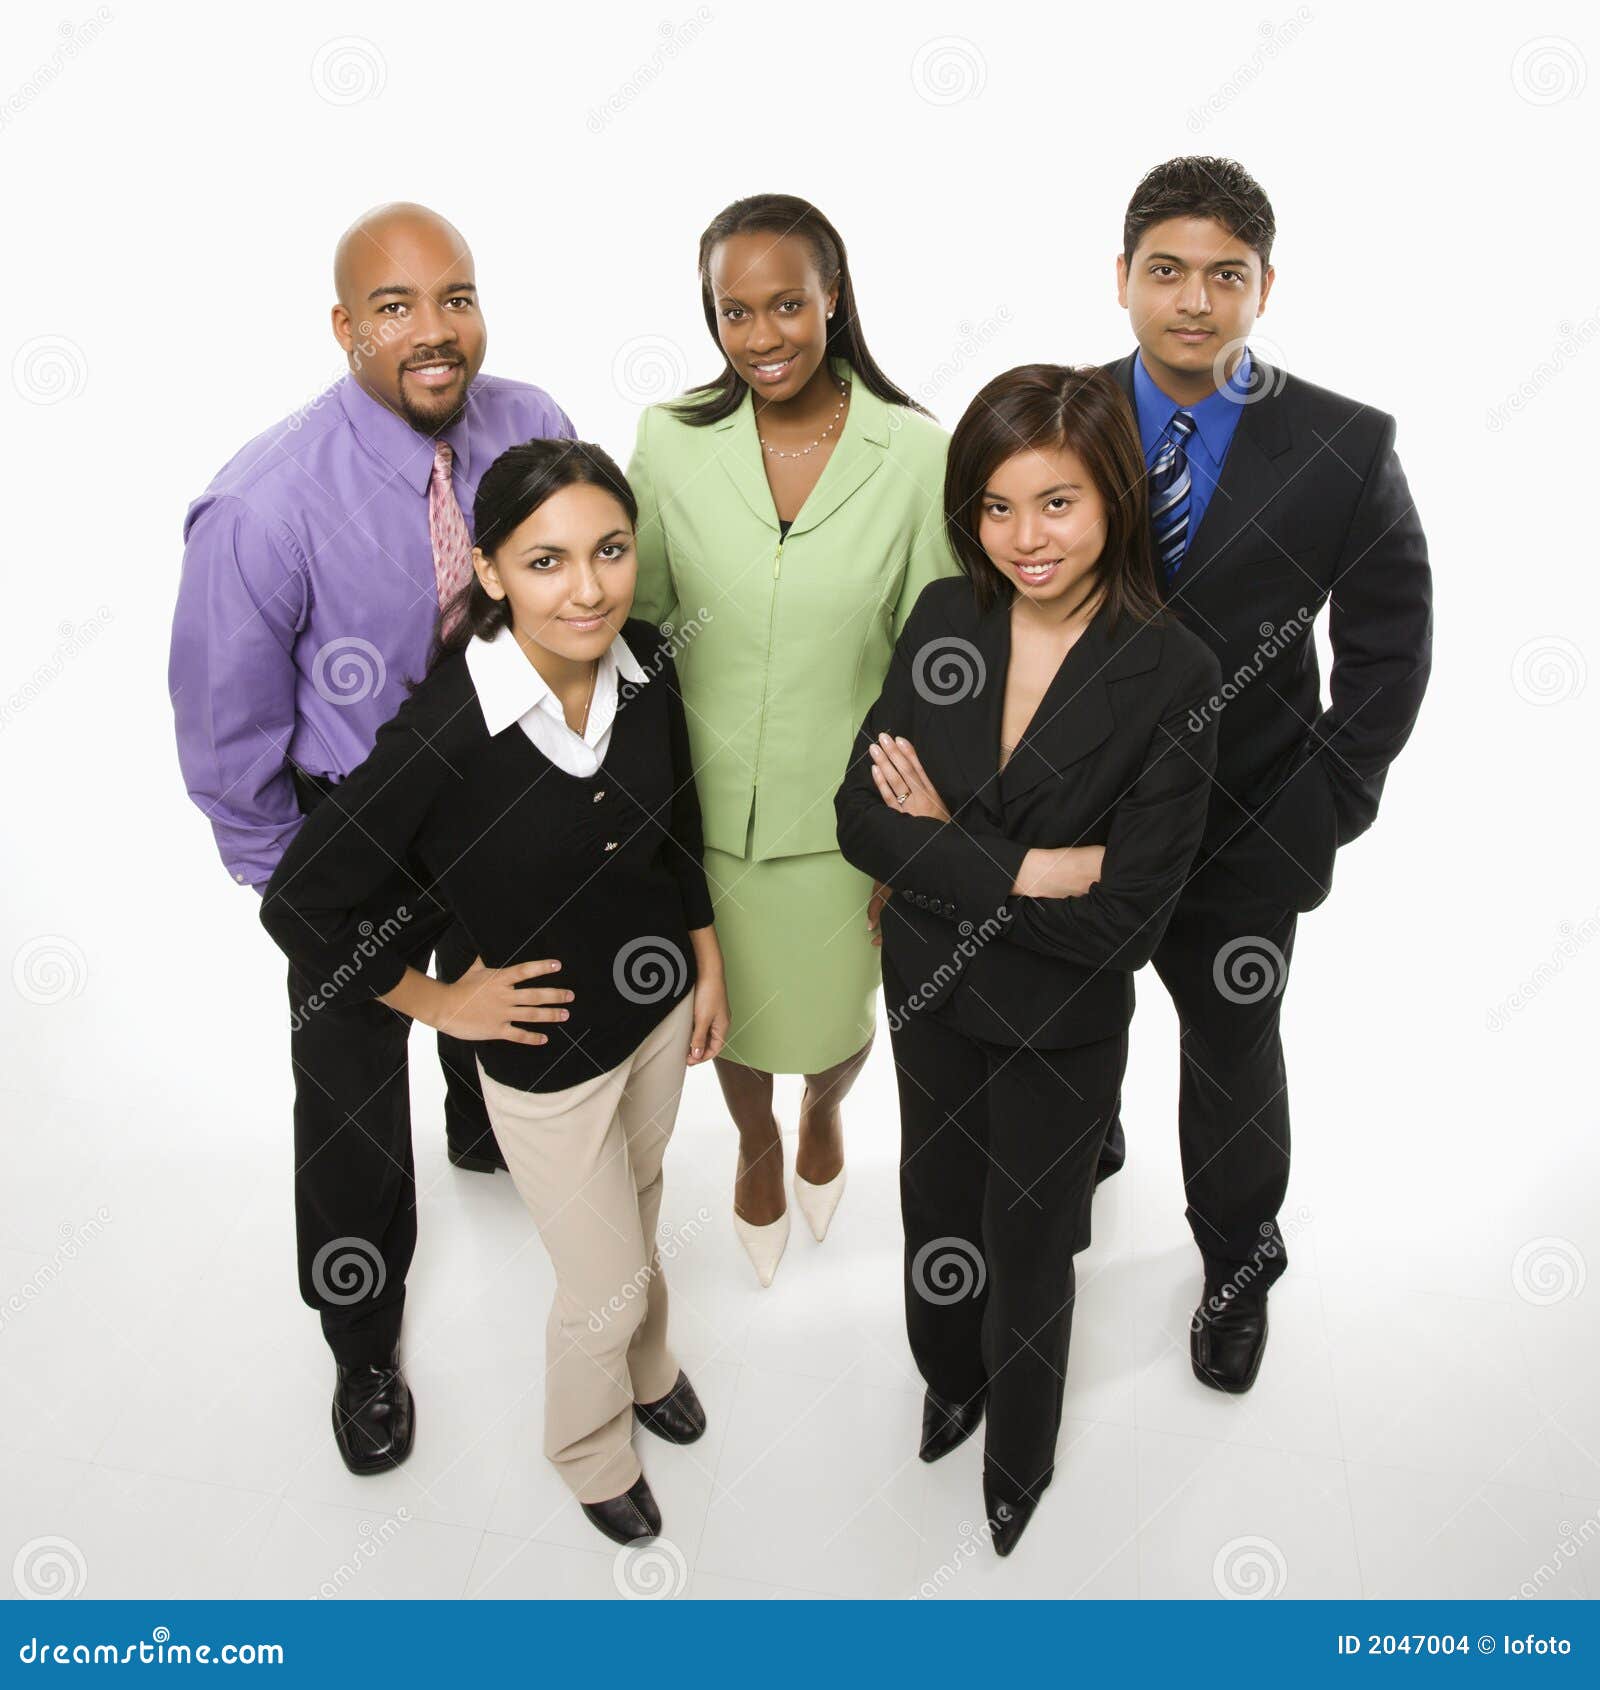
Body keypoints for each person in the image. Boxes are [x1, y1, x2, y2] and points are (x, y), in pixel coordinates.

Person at [168, 202, 577, 1474]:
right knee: (347, 1098)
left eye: (454, 296)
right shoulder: (262, 504)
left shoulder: (533, 423)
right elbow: (226, 748)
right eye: (395, 308)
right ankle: (361, 1343)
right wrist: (307, 892)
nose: (435, 330)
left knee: (509, 986)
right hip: (352, 820)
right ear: (344, 329)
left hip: (502, 779)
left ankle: (475, 1116)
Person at [260, 439, 729, 1546]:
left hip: (657, 1013)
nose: (589, 588)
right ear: (490, 572)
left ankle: (653, 1365)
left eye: (610, 551)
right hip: (544, 1058)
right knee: (601, 1276)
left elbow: (681, 822)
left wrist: (706, 960)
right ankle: (588, 1446)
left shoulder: (649, 659)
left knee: (644, 1204)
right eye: (548, 561)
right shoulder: (444, 733)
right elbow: (300, 902)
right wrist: (437, 1003)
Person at [836, 363, 1222, 1556]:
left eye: (1056, 502)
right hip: (930, 997)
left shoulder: (1175, 672)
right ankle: (947, 1378)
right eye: (996, 507)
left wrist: (940, 850)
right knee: (934, 1206)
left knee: (1032, 1233)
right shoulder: (950, 618)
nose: (1023, 537)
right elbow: (859, 813)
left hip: (1060, 1023)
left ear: (1111, 494)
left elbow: (1124, 924)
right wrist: (1016, 866)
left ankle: (1020, 1453)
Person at [1098, 156, 1433, 1392]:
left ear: (1264, 287)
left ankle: (1237, 1264)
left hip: (1248, 823)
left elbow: (1391, 640)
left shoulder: (1343, 442)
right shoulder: (1055, 414)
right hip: (1073, 817)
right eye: (1168, 271)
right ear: (1121, 278)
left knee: (1232, 1050)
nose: (1194, 300)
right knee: (1069, 1021)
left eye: (1224, 275)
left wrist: (1327, 803)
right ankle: (1082, 1153)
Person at [627, 193, 961, 1285]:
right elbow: (642, 625)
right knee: (726, 1023)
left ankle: (820, 1113)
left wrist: (915, 836)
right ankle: (758, 1139)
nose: (761, 336)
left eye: (785, 306)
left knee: (831, 1025)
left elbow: (939, 660)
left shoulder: (914, 453)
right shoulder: (670, 443)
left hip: (847, 820)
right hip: (706, 813)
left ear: (833, 300)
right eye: (735, 311)